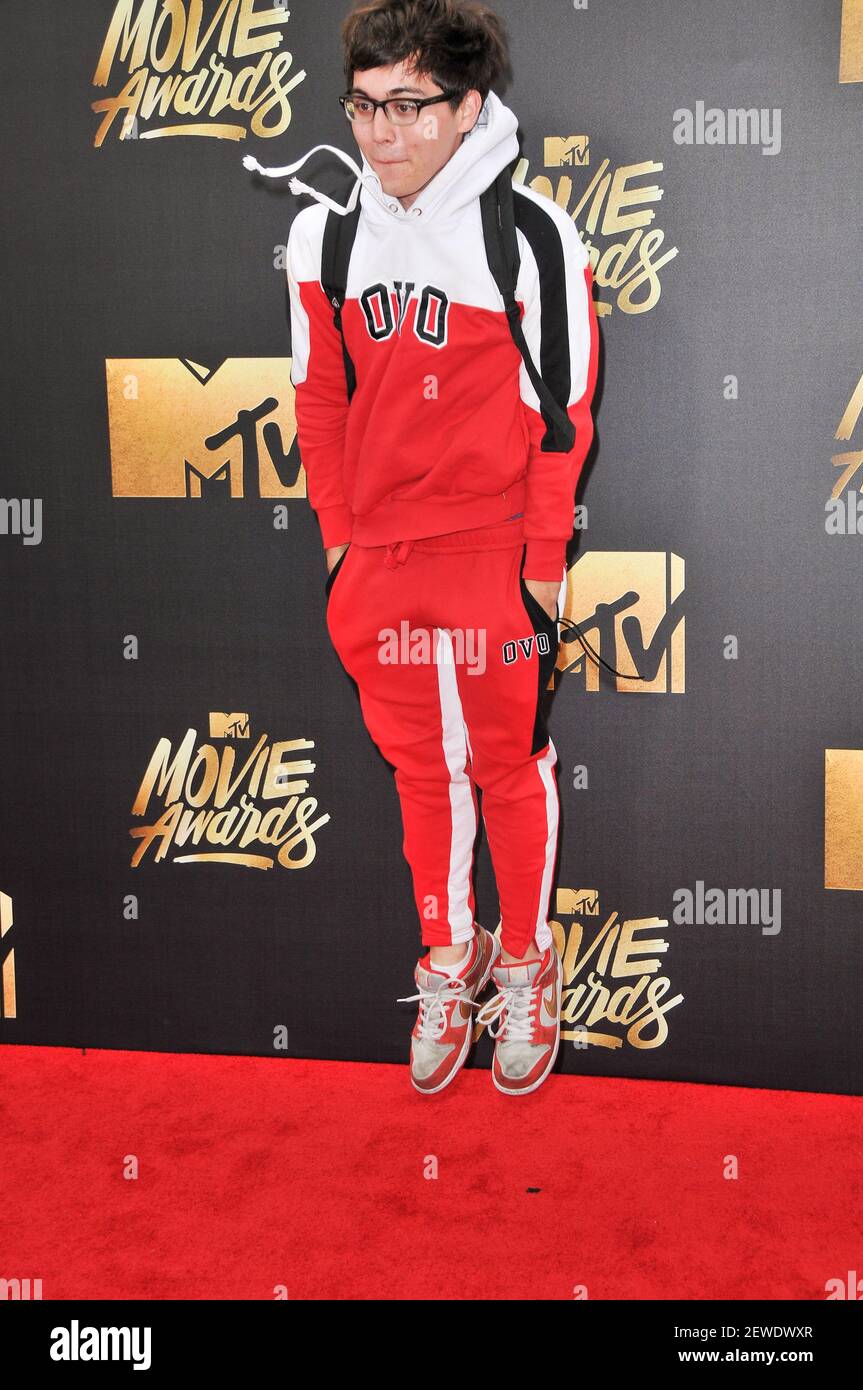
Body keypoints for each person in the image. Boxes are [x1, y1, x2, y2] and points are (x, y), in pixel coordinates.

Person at [275, 0, 599, 1095]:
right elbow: (318, 400)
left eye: (409, 105)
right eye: (363, 105)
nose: (381, 132)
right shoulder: (325, 235)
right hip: (375, 563)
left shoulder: (530, 231)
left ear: (468, 107)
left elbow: (562, 417)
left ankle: (524, 962)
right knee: (422, 768)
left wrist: (541, 567)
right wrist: (335, 544)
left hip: (490, 553)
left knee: (502, 766)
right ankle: (447, 953)